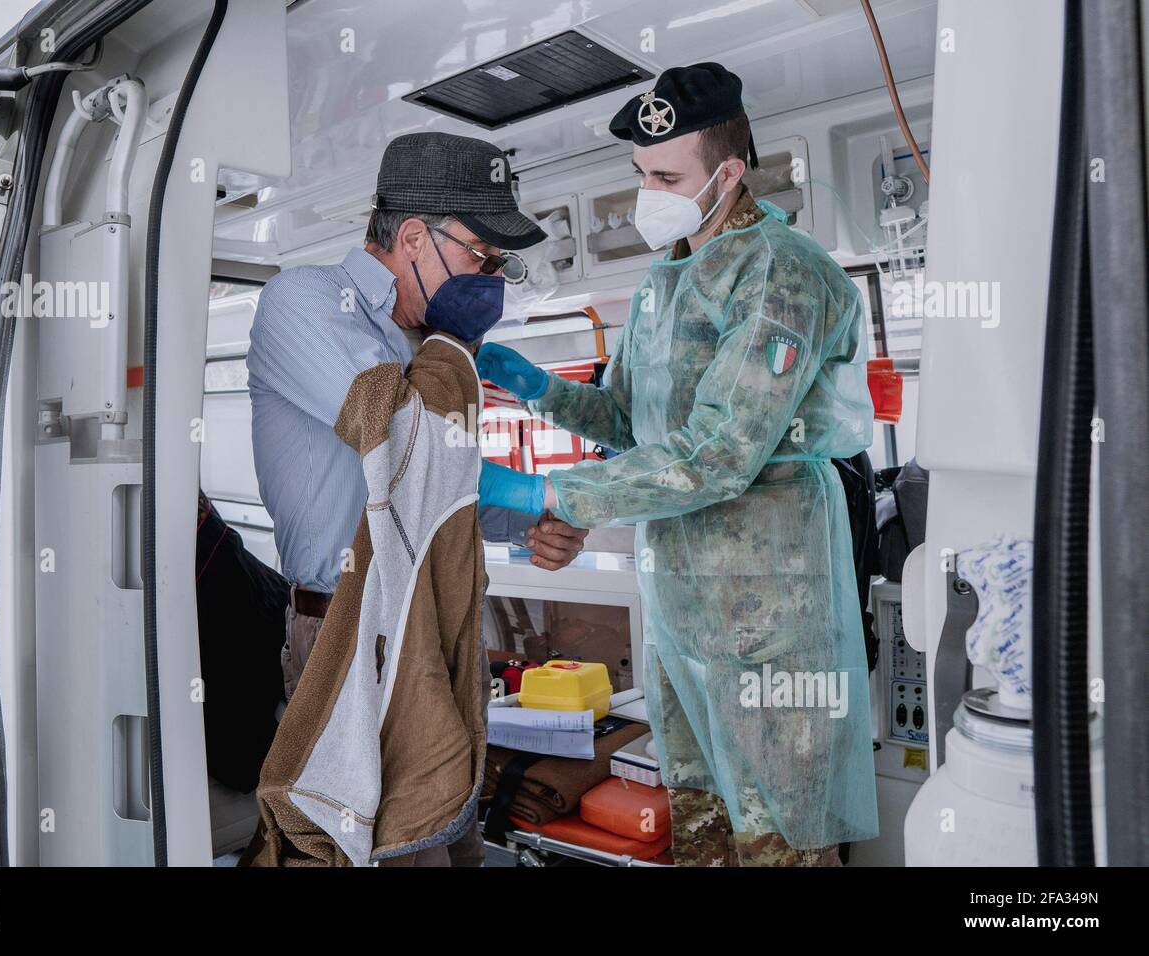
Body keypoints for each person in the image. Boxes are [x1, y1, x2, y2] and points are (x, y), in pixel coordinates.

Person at [476, 63, 879, 866]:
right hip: (681, 612)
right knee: (698, 826)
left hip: (769, 613)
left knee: (778, 839)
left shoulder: (783, 273)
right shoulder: (664, 280)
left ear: (728, 174)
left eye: (667, 175)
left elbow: (719, 453)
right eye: (640, 174)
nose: (647, 194)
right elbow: (632, 423)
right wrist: (540, 391)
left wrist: (545, 488)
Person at [246, 131, 589, 866]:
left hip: (439, 631)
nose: (492, 275)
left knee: (450, 839)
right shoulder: (305, 302)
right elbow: (403, 443)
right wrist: (546, 483)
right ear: (411, 237)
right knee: (380, 848)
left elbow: (445, 488)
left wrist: (535, 519)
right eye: (481, 255)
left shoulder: (426, 341)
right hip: (348, 635)